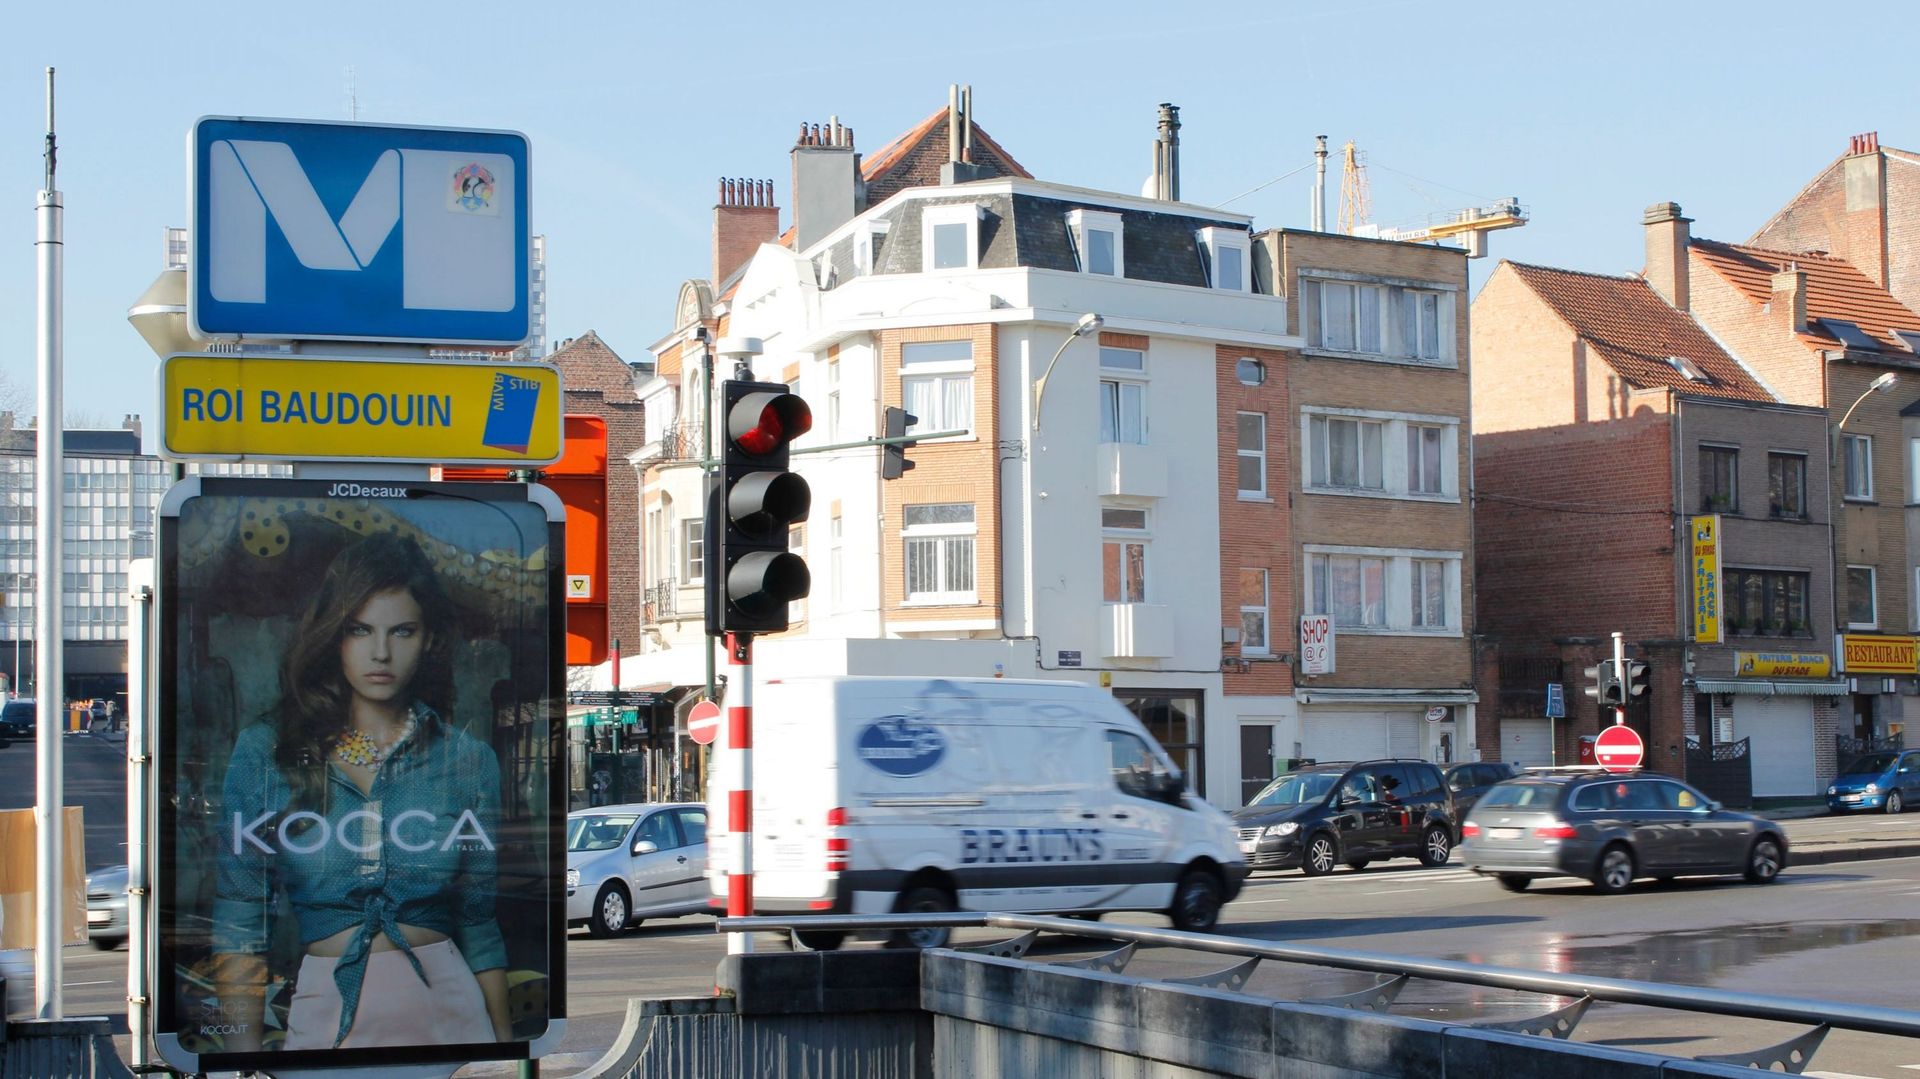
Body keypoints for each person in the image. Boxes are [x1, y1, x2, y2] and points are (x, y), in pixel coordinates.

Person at [210, 532, 510, 1052]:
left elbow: (478, 921)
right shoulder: (266, 752)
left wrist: (506, 1050)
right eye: (359, 629)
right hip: (326, 1012)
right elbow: (240, 917)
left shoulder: (467, 762)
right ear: (333, 636)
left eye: (402, 631)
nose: (380, 652)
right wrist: (242, 1054)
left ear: (428, 640)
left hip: (453, 1019)